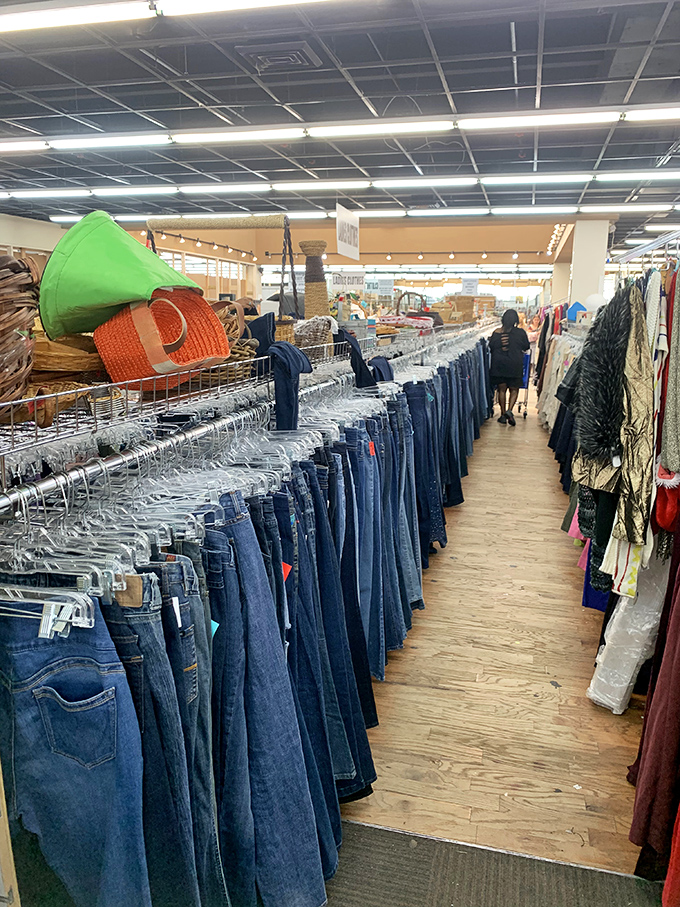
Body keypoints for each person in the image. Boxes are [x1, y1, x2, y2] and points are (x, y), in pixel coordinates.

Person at [489, 308, 530, 426]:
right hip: (514, 363)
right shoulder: (520, 333)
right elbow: (526, 346)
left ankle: (502, 414)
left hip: (499, 364)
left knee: (502, 389)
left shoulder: (496, 332)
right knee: (514, 389)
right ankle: (509, 410)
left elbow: (491, 347)